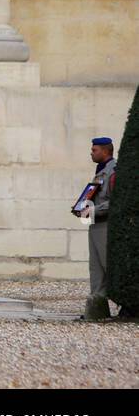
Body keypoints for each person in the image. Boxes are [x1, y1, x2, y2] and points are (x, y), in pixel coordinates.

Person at [75, 136, 117, 321]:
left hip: (107, 225)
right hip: (95, 224)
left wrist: (92, 210)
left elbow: (115, 201)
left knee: (109, 265)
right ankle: (97, 308)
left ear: (106, 151)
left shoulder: (113, 171)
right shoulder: (100, 172)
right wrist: (82, 210)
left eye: (94, 150)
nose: (91, 153)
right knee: (96, 268)